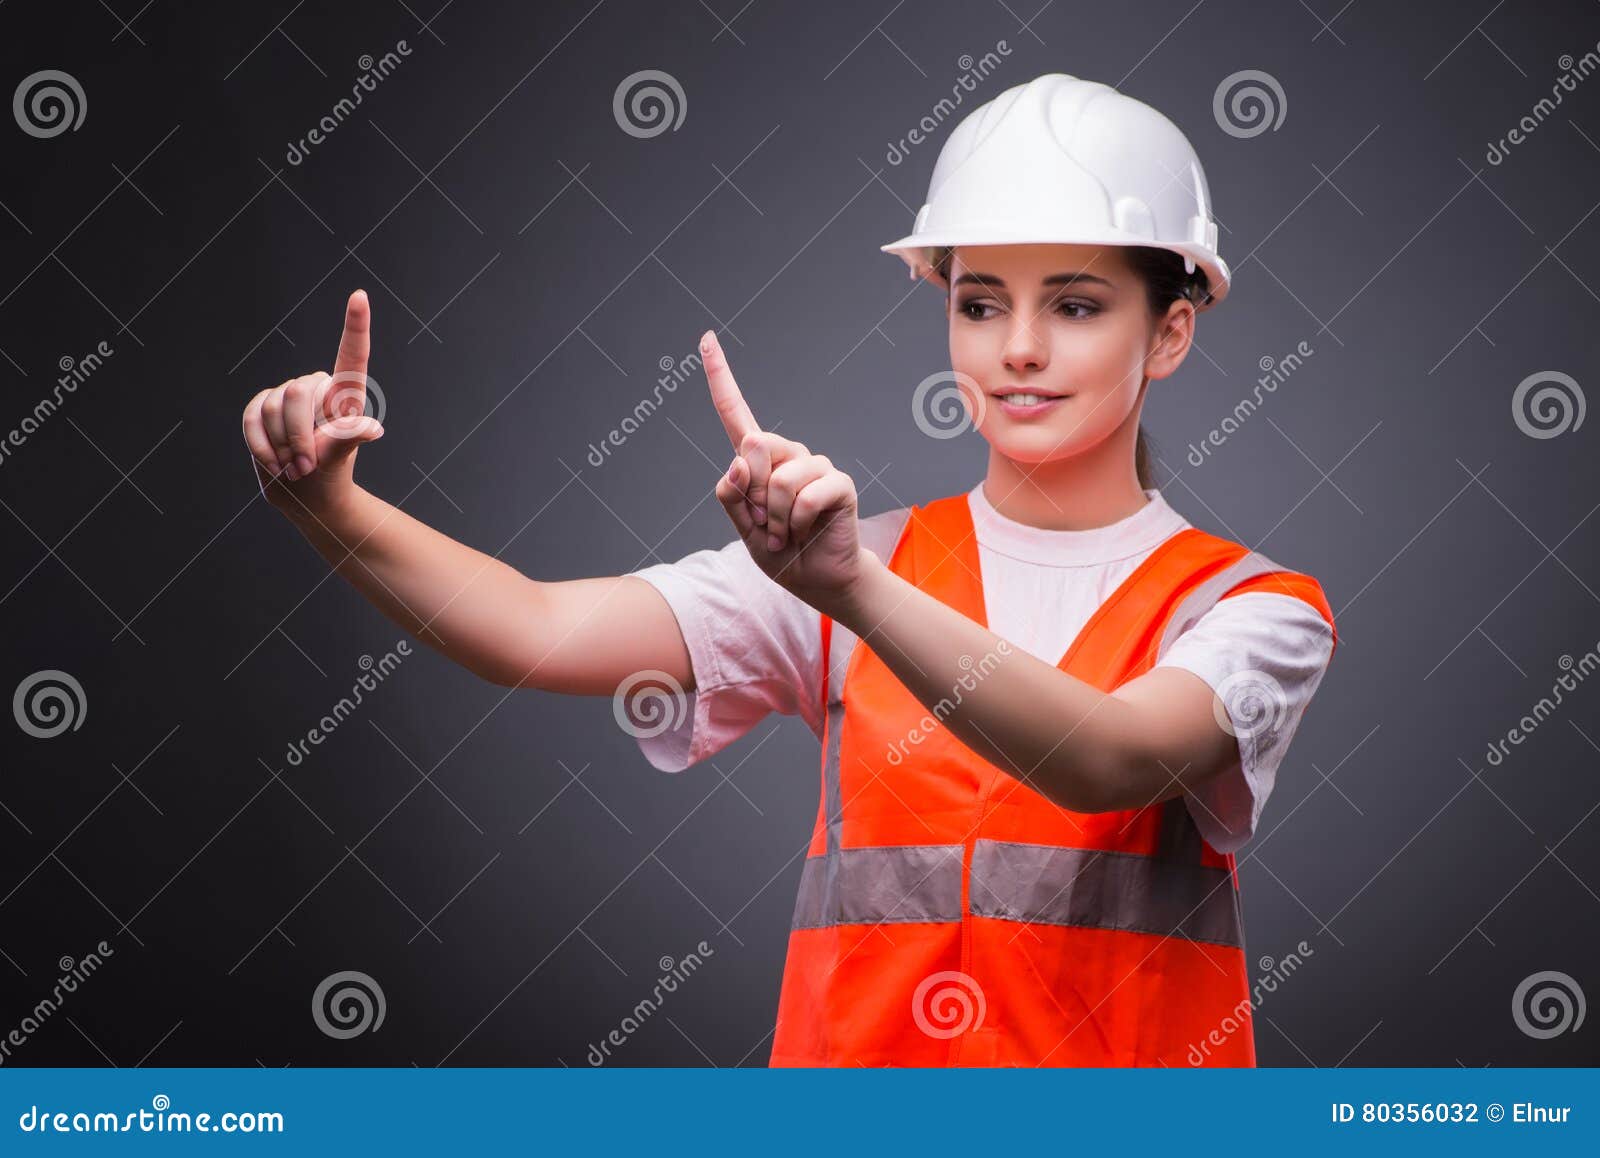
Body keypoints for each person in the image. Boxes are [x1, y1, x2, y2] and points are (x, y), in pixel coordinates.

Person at [241, 73, 1336, 1067]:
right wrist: (332, 509)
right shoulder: (848, 560)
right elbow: (527, 630)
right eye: (979, 302)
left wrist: (853, 592)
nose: (1018, 348)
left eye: (1077, 305)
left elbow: (1109, 759)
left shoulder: (1249, 609)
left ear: (1170, 334)